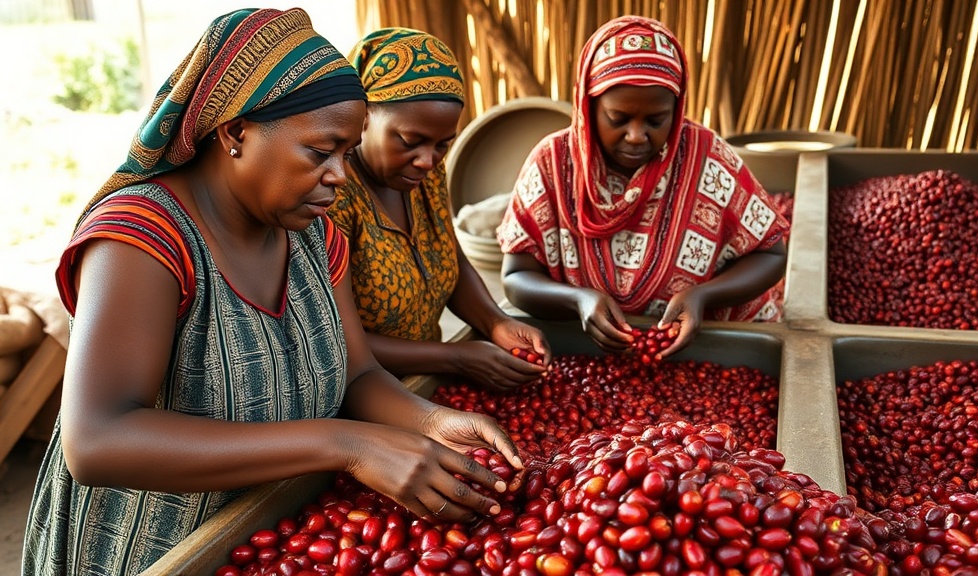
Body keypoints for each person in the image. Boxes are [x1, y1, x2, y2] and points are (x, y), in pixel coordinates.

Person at [23, 9, 521, 575]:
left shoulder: (313, 236)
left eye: (346, 152)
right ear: (235, 131)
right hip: (152, 552)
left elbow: (357, 374)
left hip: (268, 538)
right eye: (320, 152)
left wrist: (428, 421)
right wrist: (347, 445)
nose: (339, 174)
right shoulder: (144, 237)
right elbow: (98, 440)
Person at [498, 16, 790, 358]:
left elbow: (770, 253)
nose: (637, 136)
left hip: (707, 345)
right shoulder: (552, 163)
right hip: (590, 350)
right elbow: (516, 277)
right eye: (618, 118)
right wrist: (578, 300)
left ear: (676, 109)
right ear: (589, 106)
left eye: (656, 120)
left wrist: (701, 296)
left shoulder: (706, 157)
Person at [327, 28, 550, 392]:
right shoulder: (333, 195)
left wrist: (496, 322)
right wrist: (456, 357)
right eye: (410, 142)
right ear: (363, 118)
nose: (427, 160)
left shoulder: (426, 177)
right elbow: (340, 340)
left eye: (443, 145)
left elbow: (452, 261)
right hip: (362, 394)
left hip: (426, 381)